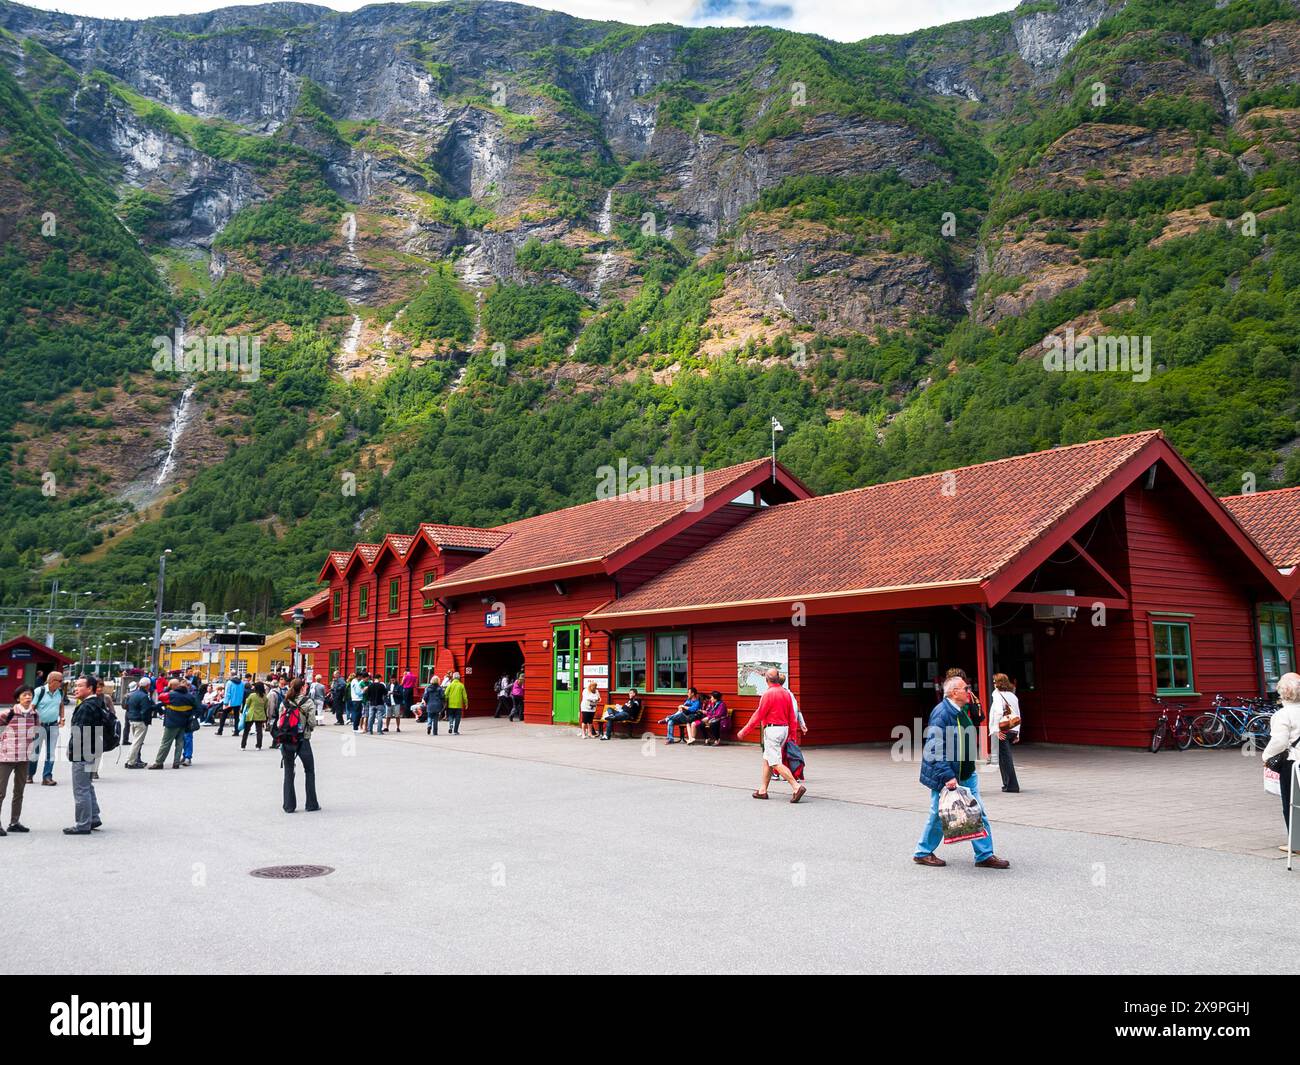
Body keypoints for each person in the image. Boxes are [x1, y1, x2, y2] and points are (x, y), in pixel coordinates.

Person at [913, 674, 1009, 869]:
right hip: (948, 775)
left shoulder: (962, 709)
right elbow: (934, 747)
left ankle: (984, 855)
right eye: (966, 688)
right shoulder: (942, 713)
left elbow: (979, 717)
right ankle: (922, 852)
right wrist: (947, 775)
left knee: (978, 811)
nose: (969, 691)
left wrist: (973, 705)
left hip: (967, 773)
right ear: (954, 692)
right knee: (939, 815)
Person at [737, 670, 806, 802]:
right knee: (767, 759)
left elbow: (759, 715)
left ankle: (796, 786)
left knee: (774, 762)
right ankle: (763, 790)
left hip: (773, 730)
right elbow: (793, 715)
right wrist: (792, 734)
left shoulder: (768, 694)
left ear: (767, 680)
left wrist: (744, 731)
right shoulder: (786, 693)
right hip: (784, 729)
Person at [65, 675, 107, 835]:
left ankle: (82, 824)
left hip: (82, 751)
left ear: (90, 688)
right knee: (87, 786)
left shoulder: (85, 707)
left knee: (80, 789)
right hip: (93, 749)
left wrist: (70, 750)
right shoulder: (98, 703)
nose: (76, 688)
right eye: (76, 685)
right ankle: (93, 817)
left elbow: (79, 732)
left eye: (80, 685)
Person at [1263, 671, 1300, 850]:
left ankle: (1296, 842)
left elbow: (1279, 741)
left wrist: (1266, 757)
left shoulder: (1282, 715)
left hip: (1293, 763)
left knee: (1291, 802)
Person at [0, 685, 39, 834]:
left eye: (29, 695)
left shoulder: (35, 714)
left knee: (19, 791)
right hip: (6, 757)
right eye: (24, 695)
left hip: (24, 757)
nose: (28, 697)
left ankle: (14, 822)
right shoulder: (8, 713)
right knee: (1, 792)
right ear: (18, 698)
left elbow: (37, 731)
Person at [277, 678, 319, 814]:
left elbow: (280, 721)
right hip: (302, 739)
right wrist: (308, 728)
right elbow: (312, 722)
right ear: (302, 688)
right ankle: (311, 803)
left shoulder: (285, 701)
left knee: (288, 772)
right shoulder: (308, 702)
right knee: (309, 771)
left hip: (286, 740)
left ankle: (289, 805)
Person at [148, 678, 198, 769]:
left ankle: (159, 762)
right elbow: (197, 707)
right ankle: (176, 763)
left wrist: (167, 688)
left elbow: (160, 697)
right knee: (180, 743)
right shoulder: (190, 697)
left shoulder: (171, 695)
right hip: (183, 723)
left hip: (171, 723)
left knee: (166, 743)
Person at [28, 671, 65, 786]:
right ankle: (29, 775)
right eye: (60, 681)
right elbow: (31, 707)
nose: (61, 683)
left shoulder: (60, 692)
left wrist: (62, 717)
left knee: (51, 753)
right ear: (51, 681)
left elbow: (61, 705)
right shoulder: (40, 691)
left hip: (53, 725)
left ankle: (47, 777)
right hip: (39, 726)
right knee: (35, 751)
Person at [989, 673, 1021, 793]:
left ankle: (1012, 785)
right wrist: (1017, 733)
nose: (993, 684)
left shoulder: (997, 695)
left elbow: (997, 712)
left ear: (998, 683)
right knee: (1004, 757)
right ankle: (1006, 784)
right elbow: (1017, 714)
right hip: (1013, 728)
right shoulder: (1013, 695)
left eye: (994, 681)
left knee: (1005, 758)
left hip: (1003, 729)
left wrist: (996, 730)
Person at [123, 680, 158, 768]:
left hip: (132, 719)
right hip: (140, 721)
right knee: (137, 742)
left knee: (135, 741)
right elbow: (146, 710)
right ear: (148, 686)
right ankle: (131, 762)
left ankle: (129, 760)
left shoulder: (133, 694)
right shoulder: (144, 696)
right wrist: (146, 721)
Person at [242, 682, 268, 750]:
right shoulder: (265, 697)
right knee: (259, 731)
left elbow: (247, 704)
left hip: (251, 714)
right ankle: (258, 746)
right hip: (260, 715)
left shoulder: (252, 695)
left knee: (246, 731)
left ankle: (243, 745)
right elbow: (266, 706)